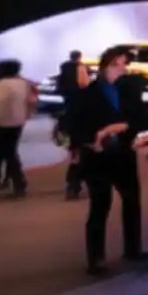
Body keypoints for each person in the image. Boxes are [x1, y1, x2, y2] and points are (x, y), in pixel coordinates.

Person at [71, 47, 148, 275]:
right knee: (100, 206)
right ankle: (96, 258)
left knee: (131, 201)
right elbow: (72, 126)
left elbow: (141, 117)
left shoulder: (128, 90)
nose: (121, 70)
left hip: (123, 155)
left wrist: (125, 126)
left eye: (123, 64)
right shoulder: (87, 94)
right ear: (104, 65)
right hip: (97, 158)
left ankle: (133, 248)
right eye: (116, 65)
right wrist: (90, 141)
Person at [0, 60, 36, 196]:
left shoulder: (1, 84)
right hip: (17, 122)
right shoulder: (24, 83)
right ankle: (17, 181)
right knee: (11, 152)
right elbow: (31, 101)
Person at [58, 50, 89, 200]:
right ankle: (76, 185)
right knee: (83, 157)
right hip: (84, 132)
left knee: (76, 156)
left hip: (74, 127)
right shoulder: (81, 68)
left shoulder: (64, 67)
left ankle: (73, 185)